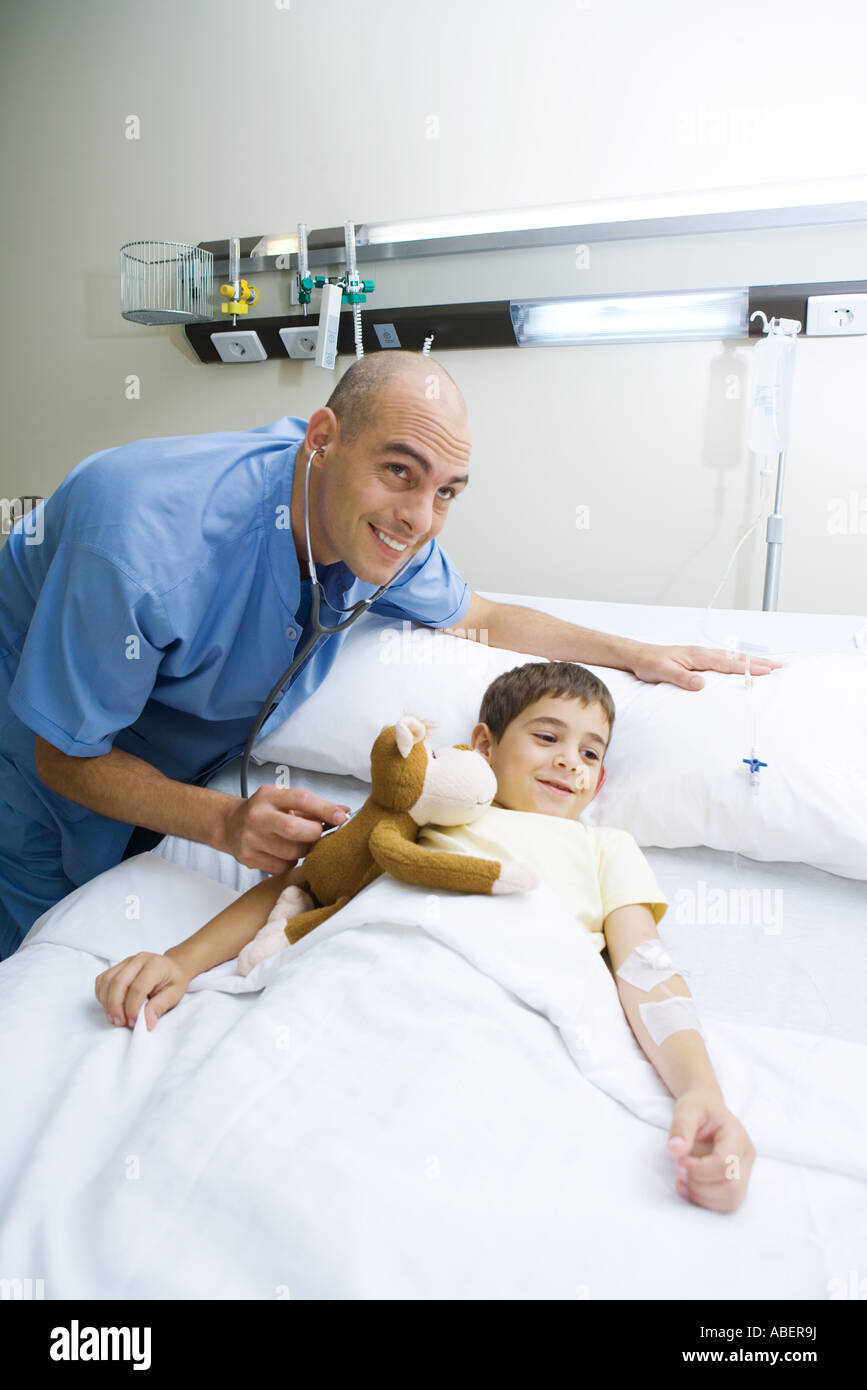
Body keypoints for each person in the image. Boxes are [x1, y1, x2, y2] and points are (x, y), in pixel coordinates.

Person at [0, 349, 780, 958]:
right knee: (45, 939)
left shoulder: (383, 534)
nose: (419, 518)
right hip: (39, 736)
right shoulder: (140, 539)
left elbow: (481, 613)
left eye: (446, 491)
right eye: (400, 472)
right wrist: (222, 820)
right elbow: (65, 755)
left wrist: (632, 653)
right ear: (323, 440)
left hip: (164, 745)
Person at [94, 660, 754, 1212]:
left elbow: (644, 967)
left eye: (589, 753)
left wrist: (700, 1090)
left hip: (500, 1001)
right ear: (485, 746)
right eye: (546, 737)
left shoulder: (604, 847)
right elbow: (303, 885)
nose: (568, 763)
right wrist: (180, 962)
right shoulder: (418, 814)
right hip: (368, 961)